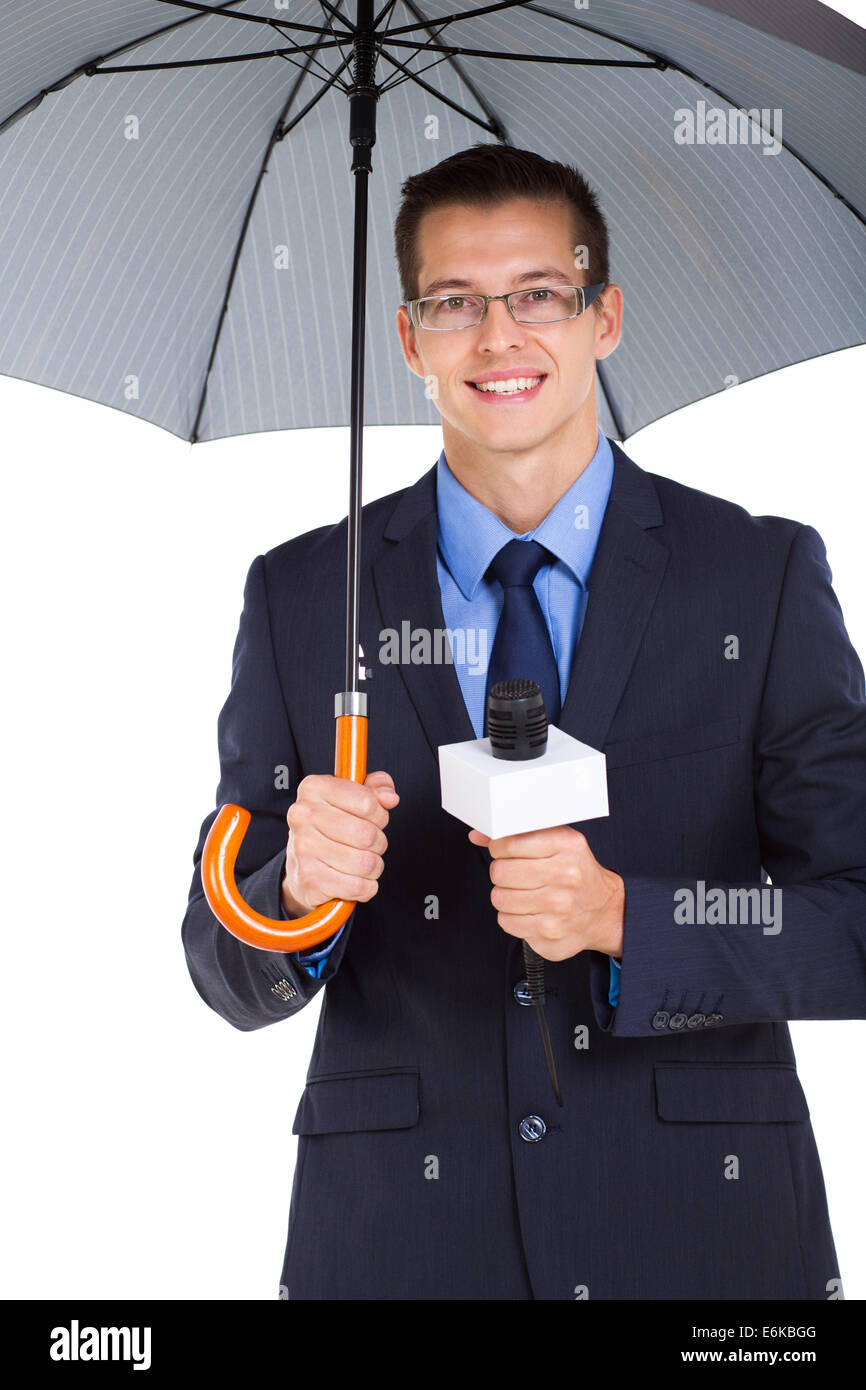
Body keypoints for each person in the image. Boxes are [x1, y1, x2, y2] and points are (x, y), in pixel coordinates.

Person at [181, 142, 865, 1301]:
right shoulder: (303, 594)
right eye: (452, 302)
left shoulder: (754, 575)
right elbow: (219, 962)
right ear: (408, 339)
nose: (496, 337)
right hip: (397, 1247)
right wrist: (294, 896)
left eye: (536, 294)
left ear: (602, 315)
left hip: (702, 1242)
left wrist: (622, 920)